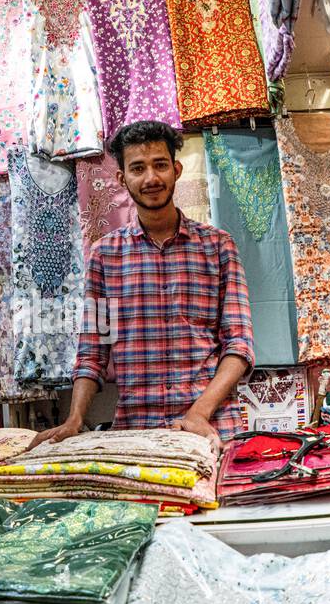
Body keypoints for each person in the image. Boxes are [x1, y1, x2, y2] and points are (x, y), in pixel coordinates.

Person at [32, 120, 255, 451]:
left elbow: (239, 346)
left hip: (211, 429)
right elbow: (94, 349)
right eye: (138, 168)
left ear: (176, 170)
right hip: (137, 434)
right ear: (122, 179)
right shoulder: (105, 255)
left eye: (160, 165)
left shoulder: (218, 246)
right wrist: (76, 418)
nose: (151, 178)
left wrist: (198, 413)